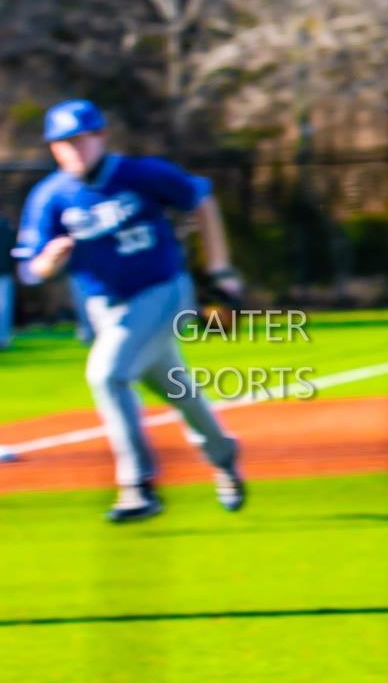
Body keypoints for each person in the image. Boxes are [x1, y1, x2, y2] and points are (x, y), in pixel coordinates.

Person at [13, 99, 247, 522]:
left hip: (162, 291)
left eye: (80, 139)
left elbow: (201, 199)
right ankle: (224, 453)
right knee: (177, 388)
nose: (73, 149)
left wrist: (219, 267)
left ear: (101, 136)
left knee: (107, 375)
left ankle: (137, 485)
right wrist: (48, 261)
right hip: (105, 308)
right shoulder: (51, 196)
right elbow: (30, 269)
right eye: (62, 143)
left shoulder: (140, 174)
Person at [0, 213, 14, 350]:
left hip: (3, 272)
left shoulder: (4, 226)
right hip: (4, 271)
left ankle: (2, 339)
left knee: (3, 308)